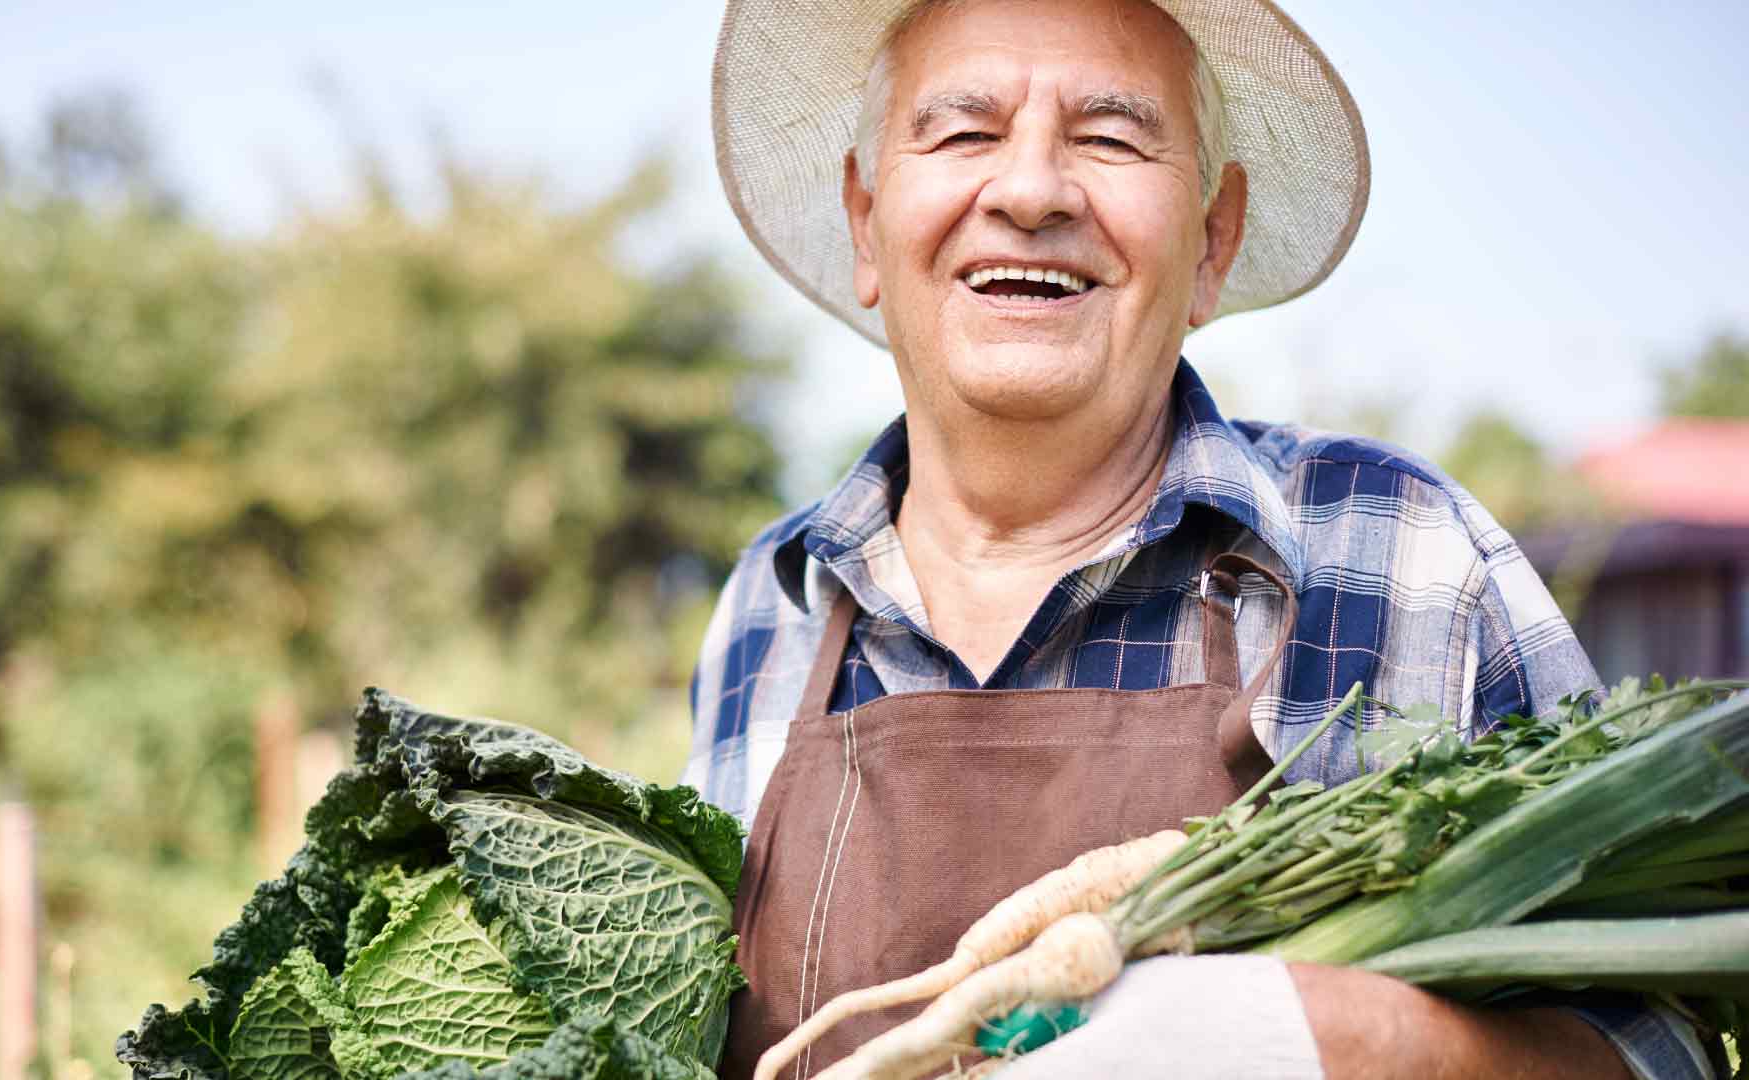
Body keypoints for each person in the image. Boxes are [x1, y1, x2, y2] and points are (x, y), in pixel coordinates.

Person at [685, 0, 1712, 1077]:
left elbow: (1666, 1051)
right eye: (965, 132)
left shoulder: (1401, 552)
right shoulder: (770, 606)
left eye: (1111, 136)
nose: (1031, 191)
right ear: (865, 221)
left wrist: (1362, 1041)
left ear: (1214, 238)